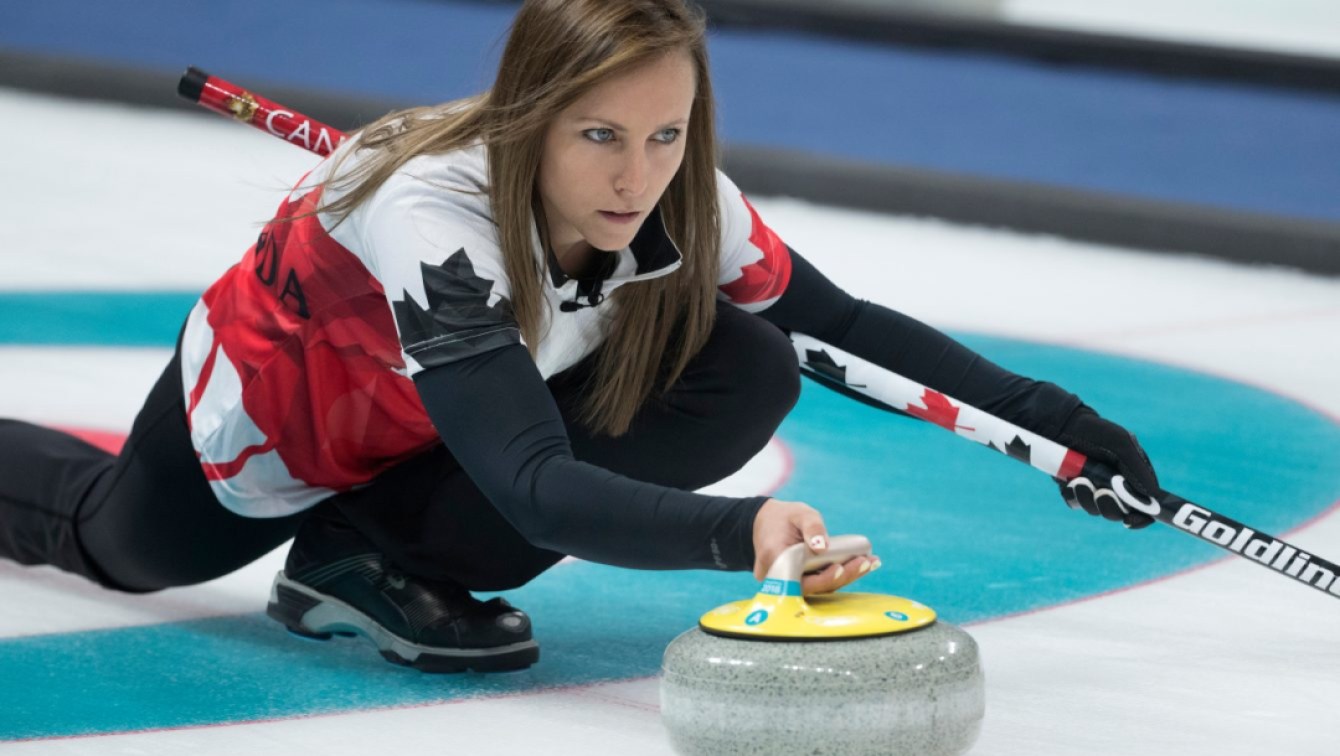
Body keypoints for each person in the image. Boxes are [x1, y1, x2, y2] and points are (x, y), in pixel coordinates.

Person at [0, 0, 1160, 673]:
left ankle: (378, 561)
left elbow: (839, 329)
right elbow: (533, 484)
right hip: (274, 423)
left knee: (743, 360)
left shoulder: (676, 194)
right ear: (528, 118)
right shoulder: (431, 223)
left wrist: (1057, 432)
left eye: (665, 134)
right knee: (128, 549)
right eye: (599, 134)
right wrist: (741, 531)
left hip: (459, 409)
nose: (638, 175)